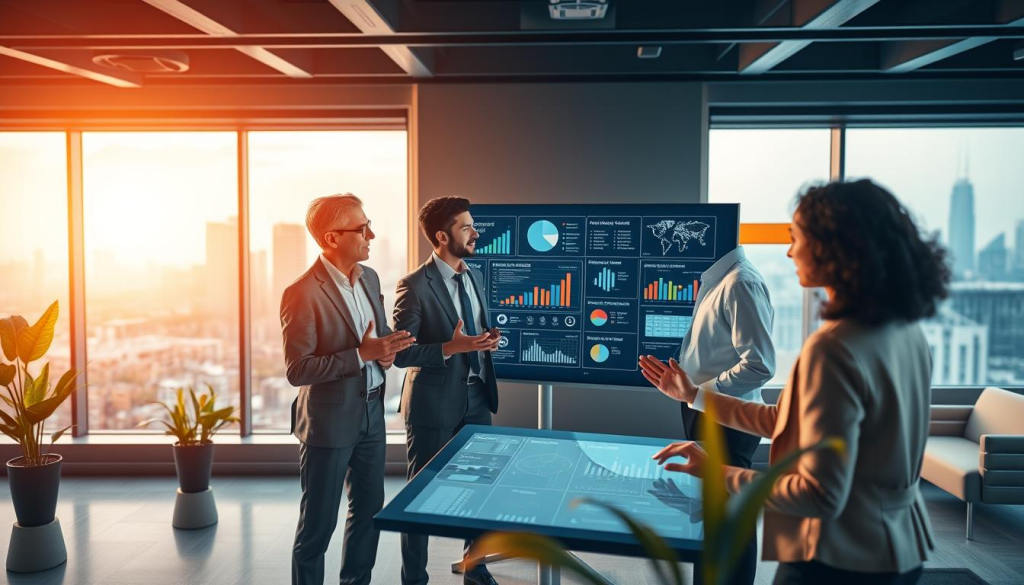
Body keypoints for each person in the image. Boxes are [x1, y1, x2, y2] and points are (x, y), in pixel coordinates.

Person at [642, 179, 946, 585]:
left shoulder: (834, 348)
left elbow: (817, 495)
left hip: (837, 558)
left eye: (796, 237)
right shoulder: (907, 334)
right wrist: (694, 396)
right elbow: (792, 419)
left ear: (833, 246)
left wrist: (715, 472)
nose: (790, 251)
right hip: (898, 548)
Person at [282, 194, 416, 585]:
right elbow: (298, 370)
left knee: (370, 512)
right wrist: (361, 355)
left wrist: (387, 351)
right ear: (331, 238)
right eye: (361, 228)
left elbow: (378, 337)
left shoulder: (370, 278)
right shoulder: (301, 292)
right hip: (328, 422)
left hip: (372, 414)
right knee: (318, 526)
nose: (371, 234)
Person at [641, 242, 775, 585]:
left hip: (728, 418)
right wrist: (690, 395)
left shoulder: (739, 283)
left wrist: (700, 393)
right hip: (703, 408)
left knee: (730, 516)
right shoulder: (718, 279)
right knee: (713, 514)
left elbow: (760, 365)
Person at [393, 196, 502, 585]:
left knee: (481, 490)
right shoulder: (413, 285)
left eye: (473, 225)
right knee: (420, 495)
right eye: (466, 227)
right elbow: (401, 355)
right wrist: (451, 347)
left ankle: (475, 567)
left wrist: (484, 341)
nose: (475, 233)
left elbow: (471, 333)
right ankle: (414, 578)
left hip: (476, 398)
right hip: (432, 403)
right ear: (441, 236)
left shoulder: (473, 275)